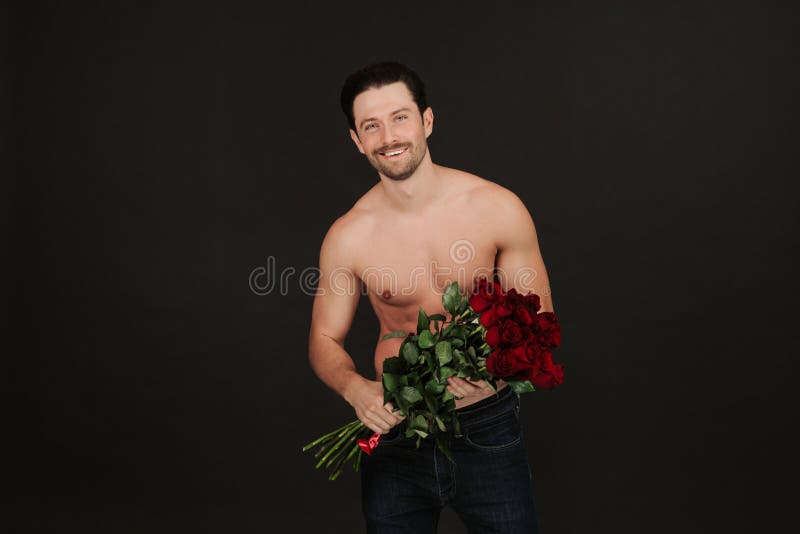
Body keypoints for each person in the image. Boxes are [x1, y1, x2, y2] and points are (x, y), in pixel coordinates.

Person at [308, 61, 555, 533]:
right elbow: (323, 338)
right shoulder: (348, 237)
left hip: (487, 426)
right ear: (358, 141)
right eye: (371, 125)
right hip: (397, 433)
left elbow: (540, 321)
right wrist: (355, 388)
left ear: (427, 120)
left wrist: (494, 368)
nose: (388, 135)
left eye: (400, 117)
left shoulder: (497, 208)